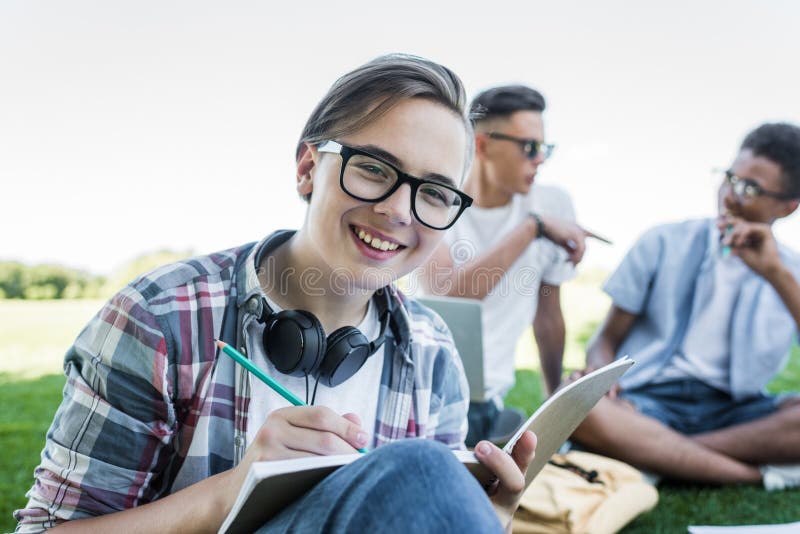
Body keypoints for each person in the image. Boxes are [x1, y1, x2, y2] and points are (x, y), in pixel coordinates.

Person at [15, 54, 537, 533]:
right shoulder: (158, 319)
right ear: (308, 168)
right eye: (374, 169)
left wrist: (483, 517)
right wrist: (233, 491)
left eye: (435, 193)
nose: (400, 210)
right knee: (423, 467)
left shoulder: (432, 350)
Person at [571, 122, 800, 490]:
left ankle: (662, 456)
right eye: (729, 177)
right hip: (648, 404)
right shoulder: (663, 241)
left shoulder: (791, 271)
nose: (729, 195)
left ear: (787, 207)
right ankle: (751, 475)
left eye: (750, 189)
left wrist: (775, 274)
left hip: (738, 414)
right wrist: (599, 373)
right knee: (579, 410)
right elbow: (606, 339)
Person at [420, 85, 597, 446]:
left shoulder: (554, 203)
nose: (540, 160)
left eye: (544, 148)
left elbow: (548, 317)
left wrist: (553, 400)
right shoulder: (436, 200)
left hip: (483, 403)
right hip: (428, 389)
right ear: (482, 145)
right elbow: (450, 296)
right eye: (529, 147)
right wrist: (533, 228)